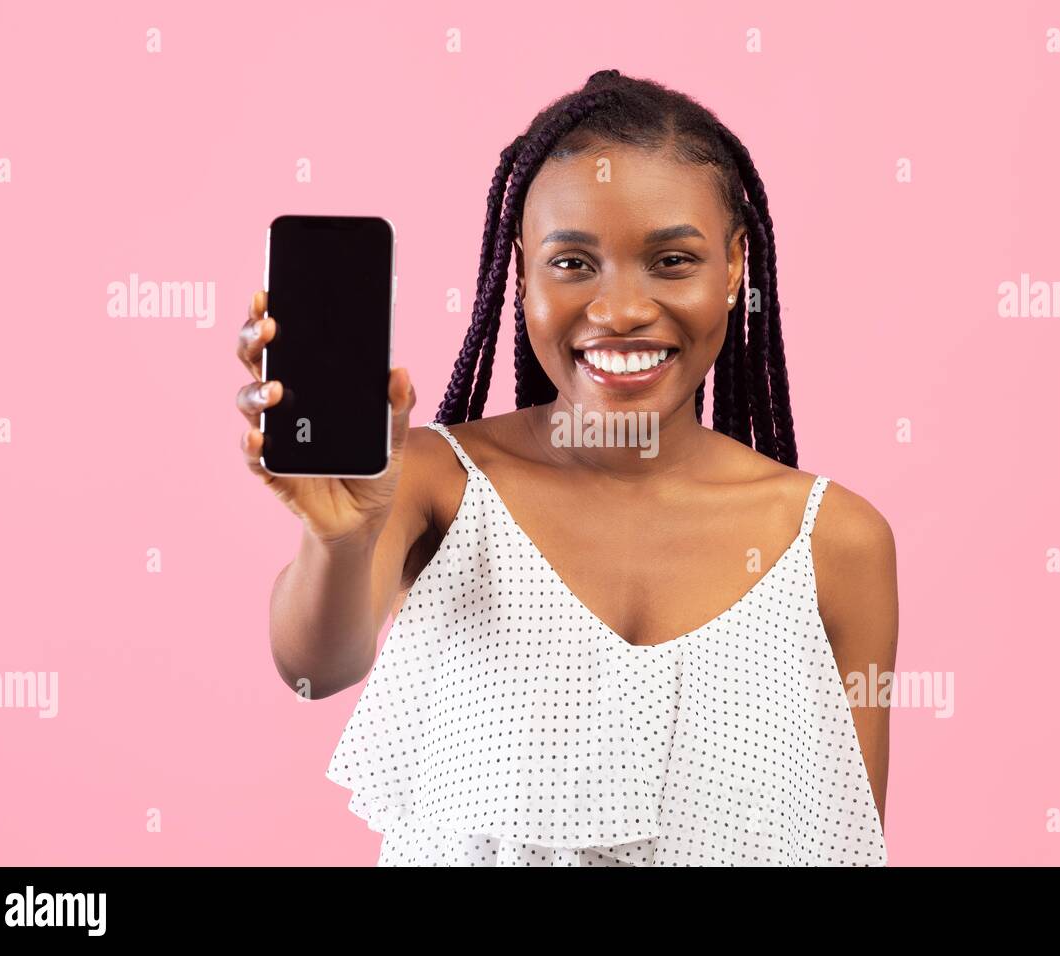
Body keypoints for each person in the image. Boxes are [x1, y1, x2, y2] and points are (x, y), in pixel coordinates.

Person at [236, 69, 898, 866]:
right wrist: (340, 539)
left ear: (733, 268)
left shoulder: (836, 543)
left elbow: (852, 846)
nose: (619, 310)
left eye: (673, 261)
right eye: (574, 263)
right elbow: (315, 668)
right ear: (521, 276)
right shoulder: (433, 483)